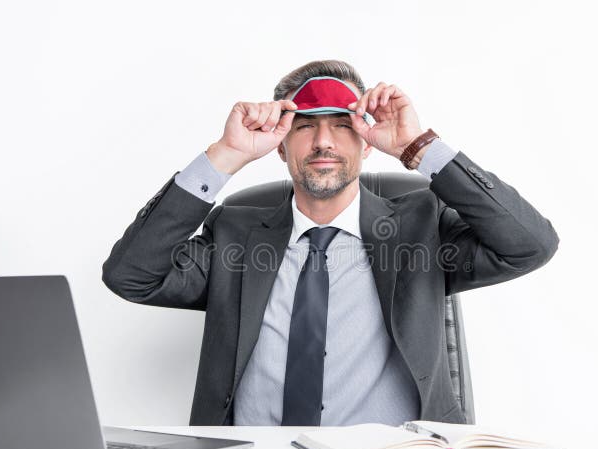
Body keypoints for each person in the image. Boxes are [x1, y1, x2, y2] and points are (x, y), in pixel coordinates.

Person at [102, 59, 559, 427]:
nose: (324, 142)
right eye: (304, 127)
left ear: (367, 143)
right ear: (280, 145)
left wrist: (418, 146)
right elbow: (131, 276)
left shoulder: (423, 226)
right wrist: (225, 155)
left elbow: (530, 245)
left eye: (342, 125)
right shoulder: (235, 234)